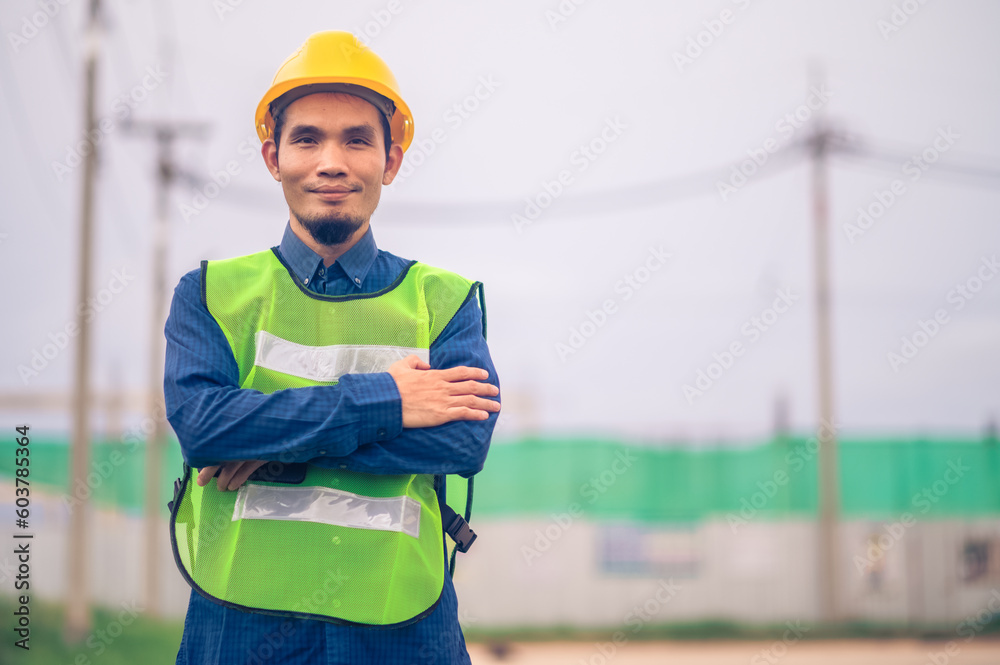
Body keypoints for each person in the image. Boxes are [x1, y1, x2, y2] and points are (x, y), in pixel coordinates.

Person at [163, 31, 501, 665]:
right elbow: (205, 430)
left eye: (357, 140)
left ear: (390, 161)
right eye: (307, 139)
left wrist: (267, 442)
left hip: (402, 632)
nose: (331, 162)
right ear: (273, 157)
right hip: (242, 630)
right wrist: (388, 401)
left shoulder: (443, 300)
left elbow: (462, 442)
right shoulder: (211, 294)